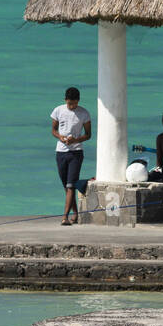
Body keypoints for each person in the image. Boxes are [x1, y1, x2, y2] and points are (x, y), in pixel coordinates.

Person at [50, 87, 91, 225]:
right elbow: (54, 130)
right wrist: (60, 137)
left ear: (78, 101)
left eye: (74, 103)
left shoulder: (84, 113)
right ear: (65, 100)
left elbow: (88, 135)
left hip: (76, 152)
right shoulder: (58, 110)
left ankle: (64, 217)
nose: (72, 106)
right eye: (69, 104)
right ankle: (76, 214)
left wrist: (76, 140)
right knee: (66, 186)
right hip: (61, 152)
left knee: (70, 185)